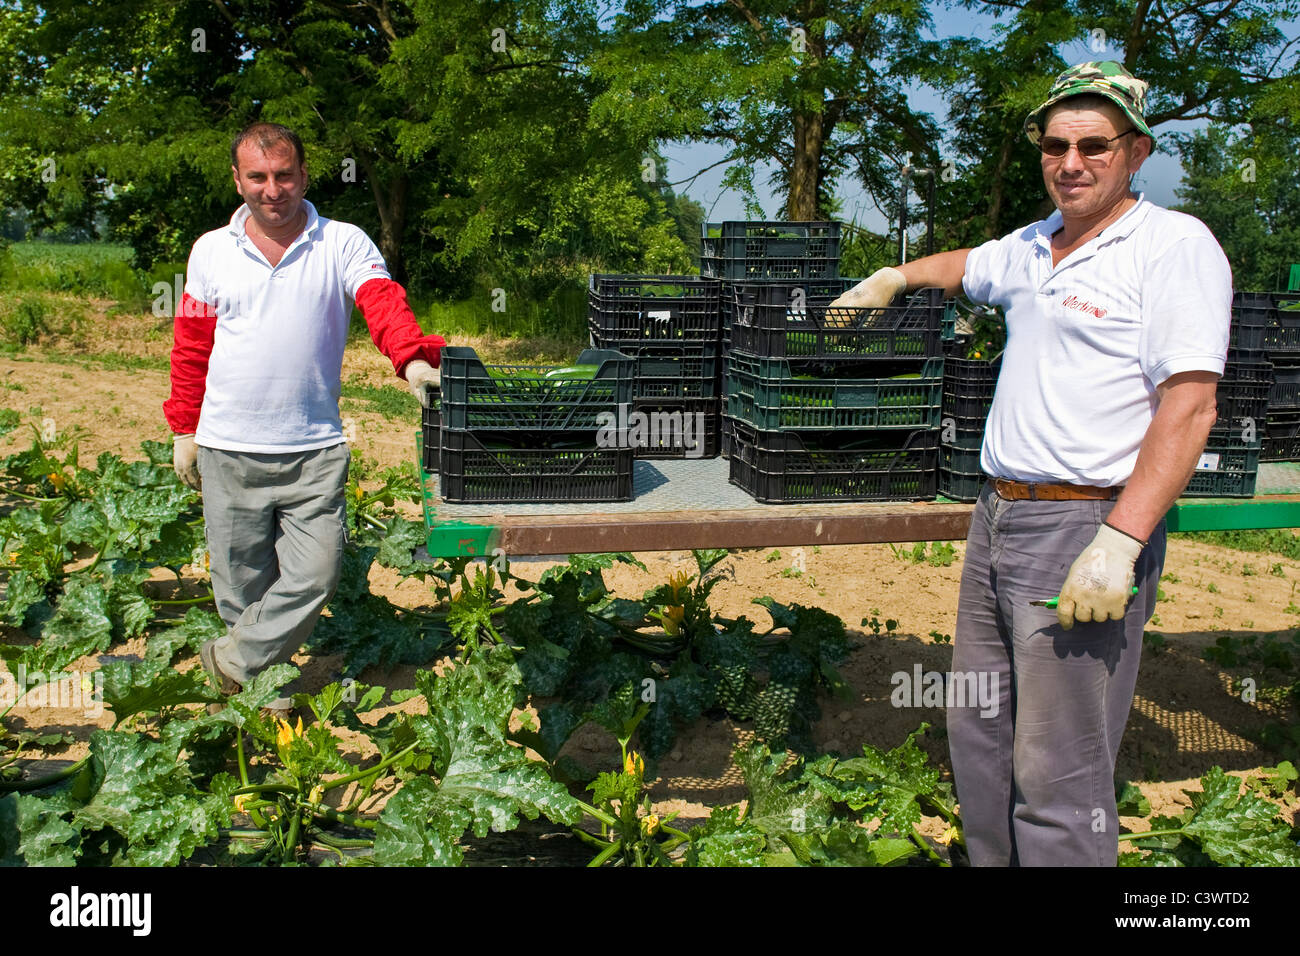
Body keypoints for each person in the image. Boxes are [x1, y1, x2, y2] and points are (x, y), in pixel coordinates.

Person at [833, 61, 1230, 865]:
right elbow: (965, 264)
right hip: (1000, 515)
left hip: (1084, 527)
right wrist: (893, 276)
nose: (1071, 162)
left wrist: (1120, 541)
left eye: (1094, 144)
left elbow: (1190, 408)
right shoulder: (1030, 245)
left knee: (1059, 768)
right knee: (977, 735)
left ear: (1137, 150)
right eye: (1055, 144)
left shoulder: (1172, 248)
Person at [164, 122, 444, 717]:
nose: (273, 190)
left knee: (314, 574)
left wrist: (411, 357)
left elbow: (381, 300)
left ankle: (229, 663)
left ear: (304, 175)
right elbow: (191, 344)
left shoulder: (341, 242)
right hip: (227, 446)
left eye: (284, 175)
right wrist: (184, 429)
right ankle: (259, 693)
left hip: (313, 448)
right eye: (258, 177)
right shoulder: (211, 250)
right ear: (238, 180)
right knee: (241, 587)